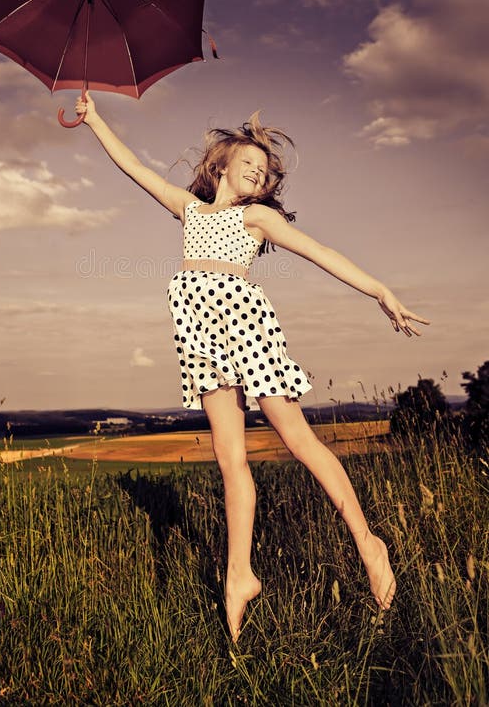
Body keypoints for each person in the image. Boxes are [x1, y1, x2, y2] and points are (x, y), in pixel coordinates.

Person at [74, 91, 430, 643]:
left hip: (246, 328)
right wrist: (96, 120)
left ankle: (367, 540)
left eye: (264, 170)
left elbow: (320, 252)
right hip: (200, 338)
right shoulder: (188, 209)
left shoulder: (256, 218)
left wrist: (378, 290)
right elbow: (134, 167)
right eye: (249, 159)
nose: (257, 169)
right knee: (228, 458)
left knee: (299, 439)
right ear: (220, 164)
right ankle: (240, 574)